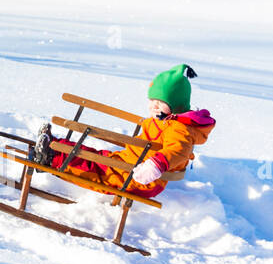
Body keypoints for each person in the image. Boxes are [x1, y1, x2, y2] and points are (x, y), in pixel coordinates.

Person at [32, 64, 215, 198]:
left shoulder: (179, 128)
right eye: (152, 101)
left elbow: (179, 150)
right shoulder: (165, 120)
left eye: (160, 103)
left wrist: (156, 165)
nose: (154, 106)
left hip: (140, 177)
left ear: (176, 105)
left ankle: (51, 157)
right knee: (95, 155)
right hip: (128, 162)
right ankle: (54, 145)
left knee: (96, 170)